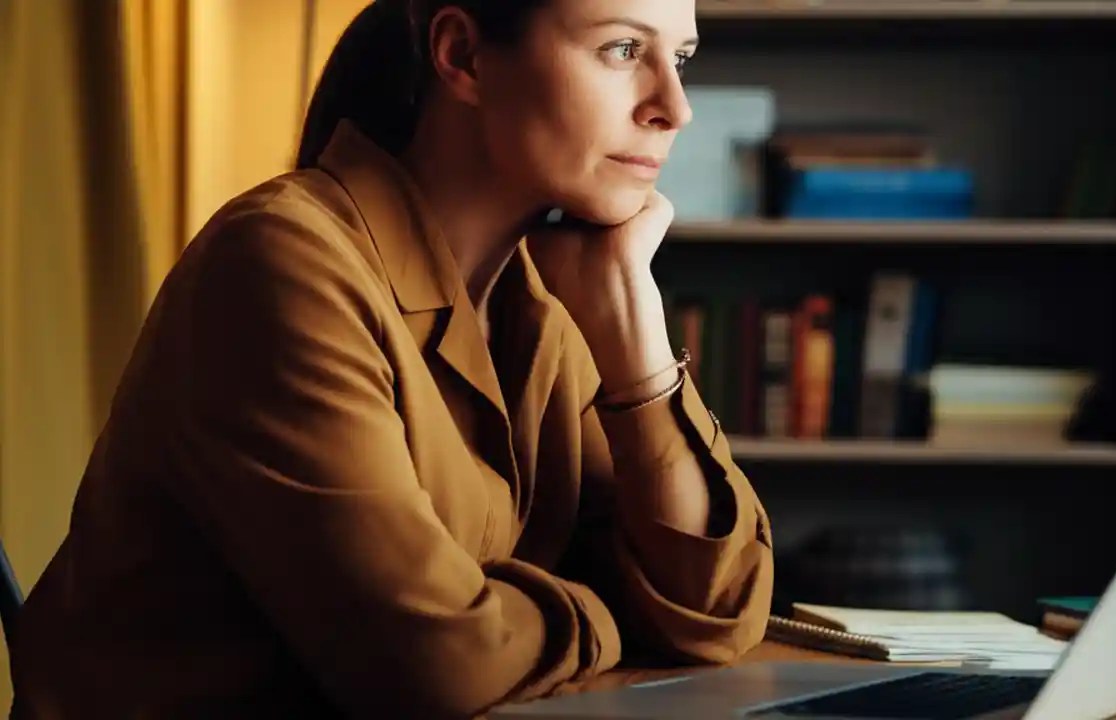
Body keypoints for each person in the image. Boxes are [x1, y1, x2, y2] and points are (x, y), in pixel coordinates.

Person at [9, 0, 774, 717]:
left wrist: (637, 344)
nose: (674, 108)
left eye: (680, 57)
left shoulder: (544, 299)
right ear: (463, 55)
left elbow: (716, 607)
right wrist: (608, 608)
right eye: (621, 49)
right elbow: (432, 660)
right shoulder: (282, 262)